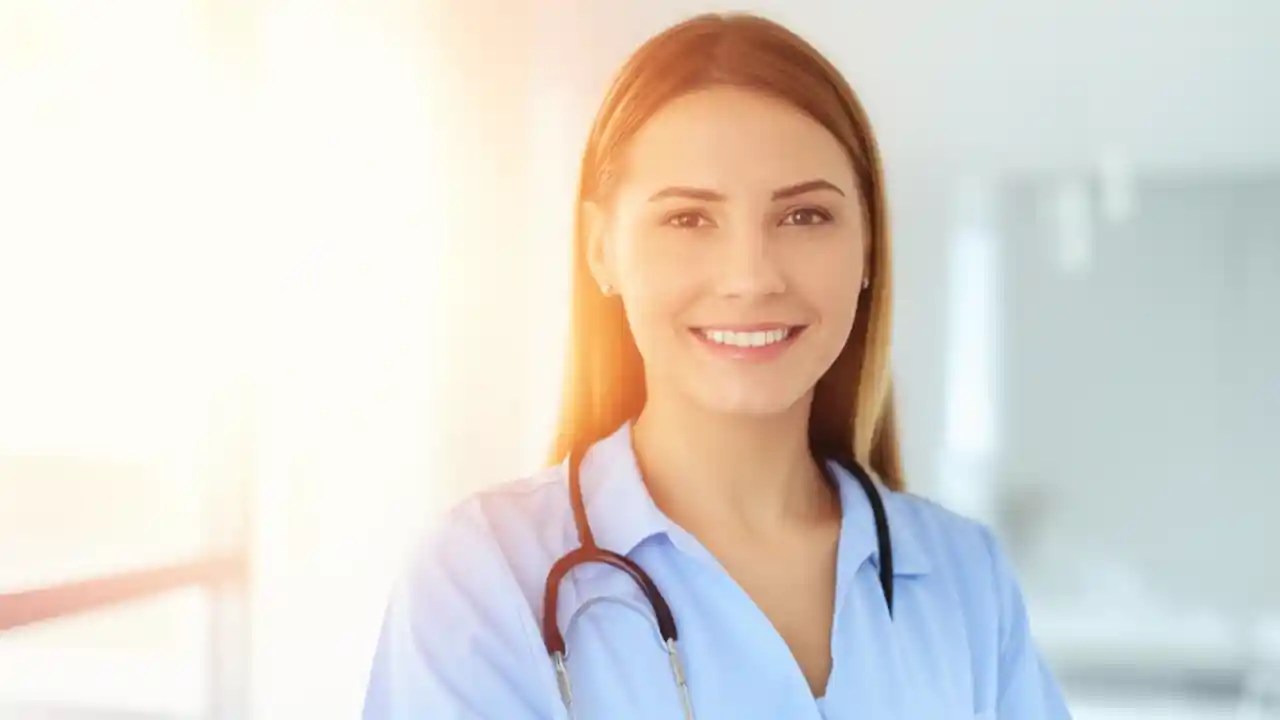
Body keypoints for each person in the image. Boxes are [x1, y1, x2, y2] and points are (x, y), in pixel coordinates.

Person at [363, 11, 1070, 719]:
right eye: (688, 219)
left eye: (803, 217)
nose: (750, 277)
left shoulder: (965, 579)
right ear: (601, 247)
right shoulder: (482, 578)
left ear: (867, 246)